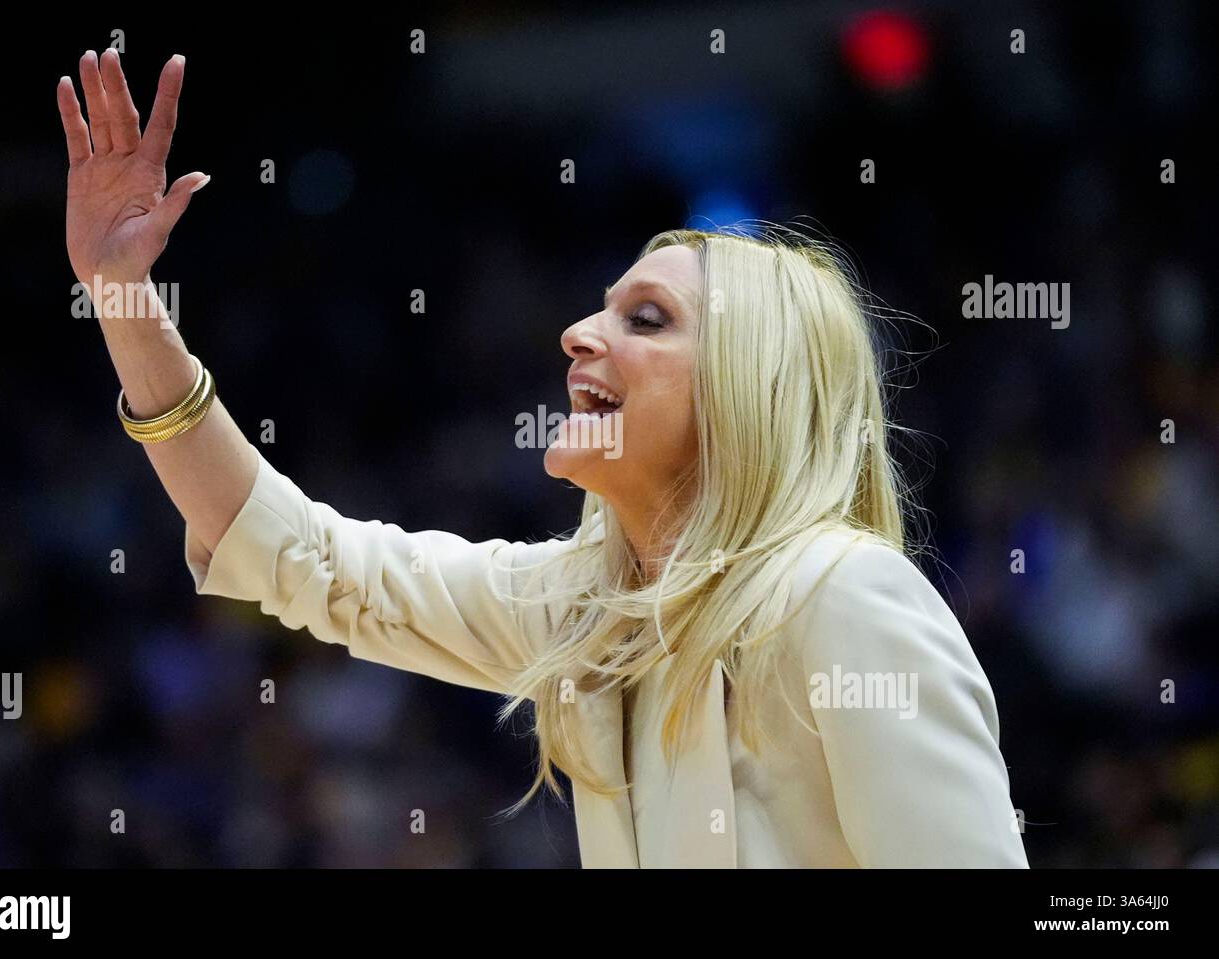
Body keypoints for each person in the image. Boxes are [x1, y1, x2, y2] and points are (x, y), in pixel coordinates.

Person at [56, 48, 1029, 868]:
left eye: (645, 319)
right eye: (599, 307)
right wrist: (123, 301)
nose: (575, 334)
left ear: (748, 386)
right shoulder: (586, 612)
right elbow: (291, 552)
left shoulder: (845, 597)